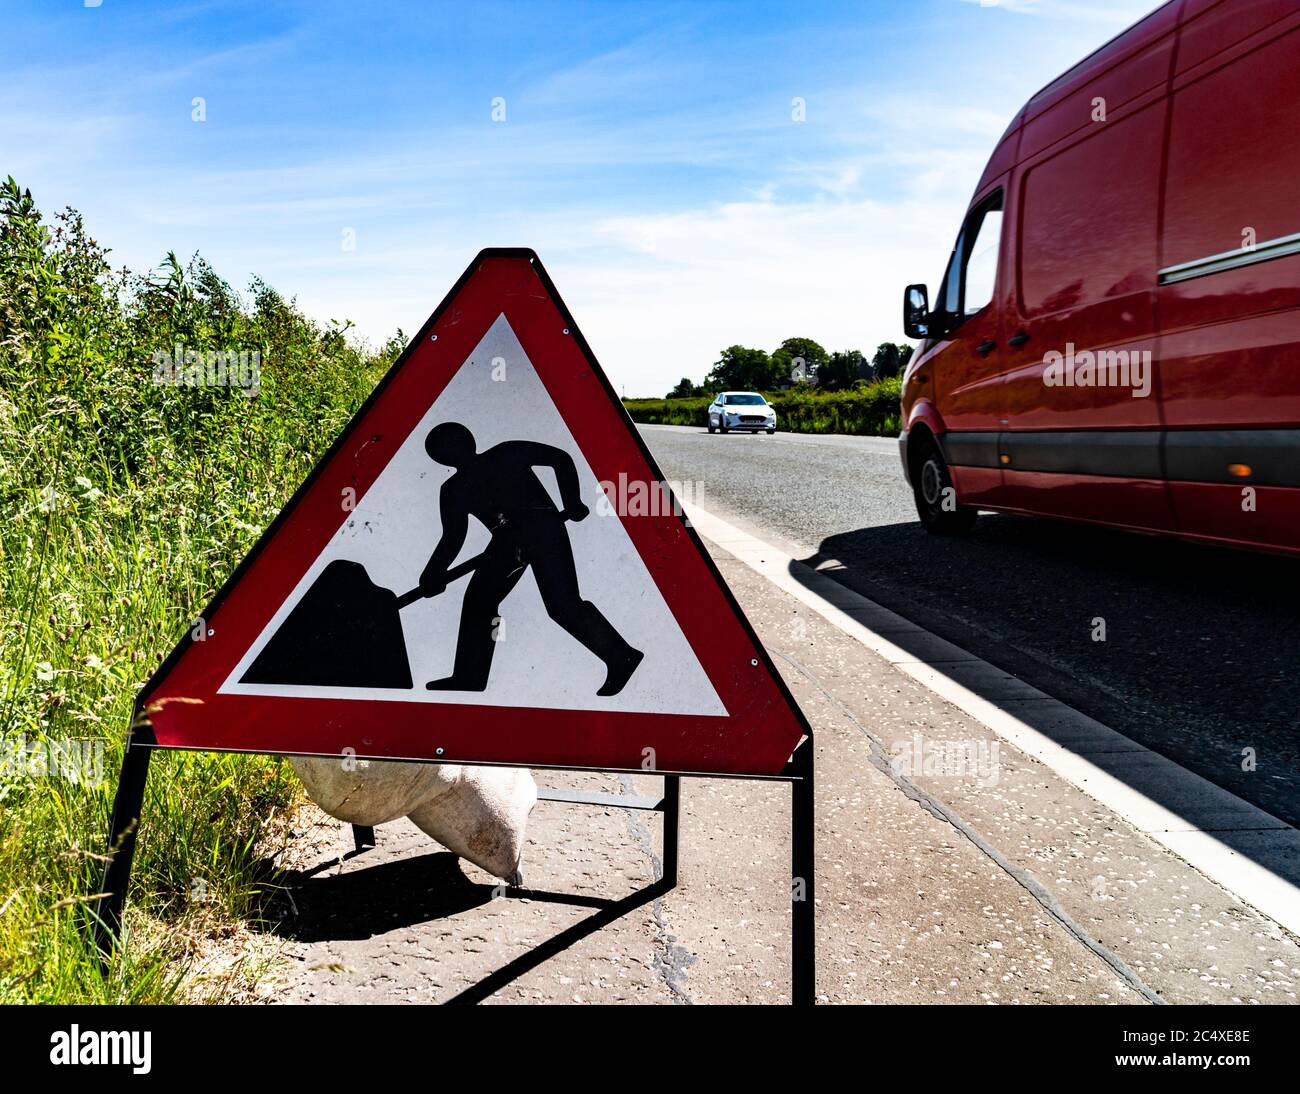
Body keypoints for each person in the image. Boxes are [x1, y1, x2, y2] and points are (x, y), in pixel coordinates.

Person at [419, 422, 644, 696]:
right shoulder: (453, 489)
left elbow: (559, 459)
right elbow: (453, 537)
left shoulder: (506, 453)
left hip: (543, 528)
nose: (448, 453)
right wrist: (433, 572)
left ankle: (622, 656)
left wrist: (572, 501)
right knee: (479, 602)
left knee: (562, 604)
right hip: (505, 541)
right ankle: (469, 675)